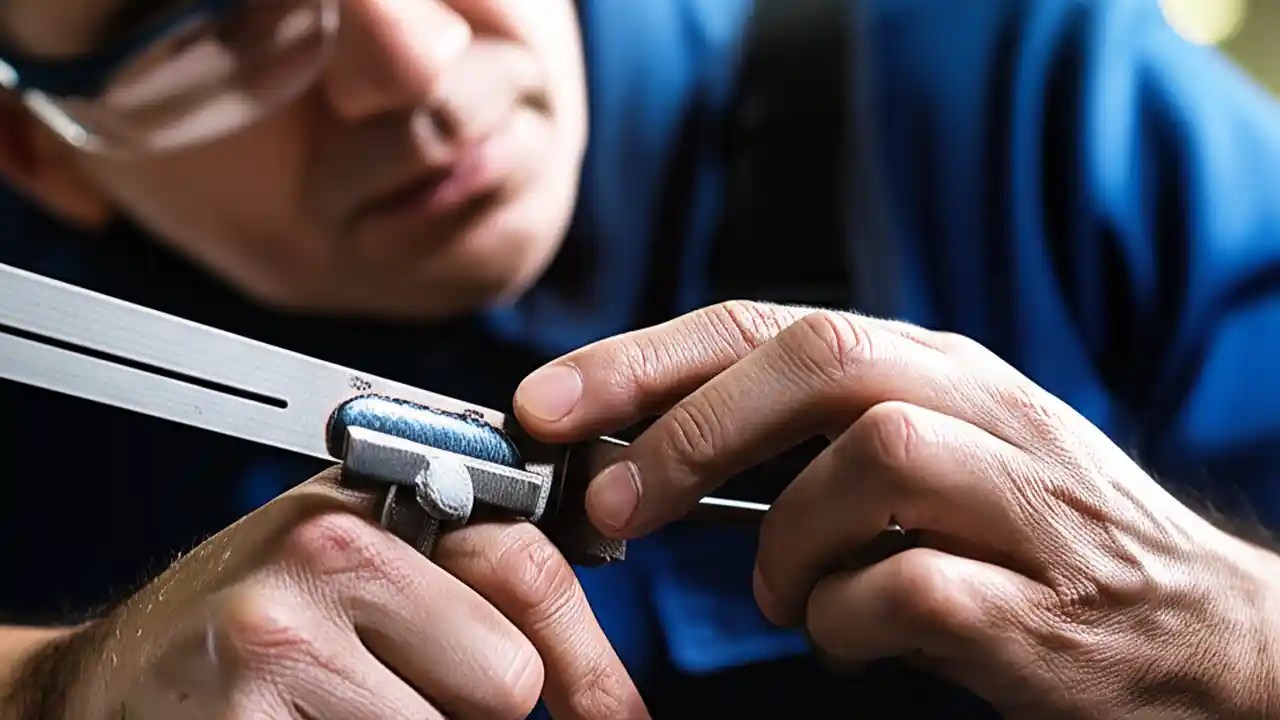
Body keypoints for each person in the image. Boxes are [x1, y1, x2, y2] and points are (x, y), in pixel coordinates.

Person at [0, 0, 1277, 717]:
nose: (409, 63)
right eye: (199, 25)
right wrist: (63, 689)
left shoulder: (1045, 104)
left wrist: (1221, 634)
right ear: (37, 150)